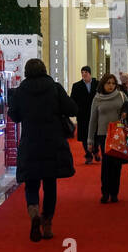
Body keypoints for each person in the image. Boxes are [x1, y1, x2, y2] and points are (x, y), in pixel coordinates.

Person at [8, 58, 78, 242]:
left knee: (31, 184)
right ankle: (47, 224)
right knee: (50, 184)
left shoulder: (21, 90)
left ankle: (34, 214)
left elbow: (14, 116)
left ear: (26, 71)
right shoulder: (54, 88)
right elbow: (72, 109)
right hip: (52, 143)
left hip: (30, 142)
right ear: (45, 70)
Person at [86, 73, 128, 204]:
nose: (110, 86)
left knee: (116, 165)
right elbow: (93, 120)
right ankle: (105, 192)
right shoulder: (97, 98)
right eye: (108, 83)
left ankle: (114, 193)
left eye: (113, 83)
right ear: (103, 84)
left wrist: (126, 114)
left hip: (118, 134)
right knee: (106, 164)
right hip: (103, 135)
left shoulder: (121, 96)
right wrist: (90, 140)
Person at [70, 65, 98, 163]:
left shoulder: (97, 84)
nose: (84, 74)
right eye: (82, 72)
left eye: (85, 72)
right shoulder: (76, 86)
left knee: (96, 134)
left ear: (90, 73)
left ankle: (96, 150)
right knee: (84, 136)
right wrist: (75, 111)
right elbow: (72, 100)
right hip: (82, 115)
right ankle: (88, 155)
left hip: (96, 114)